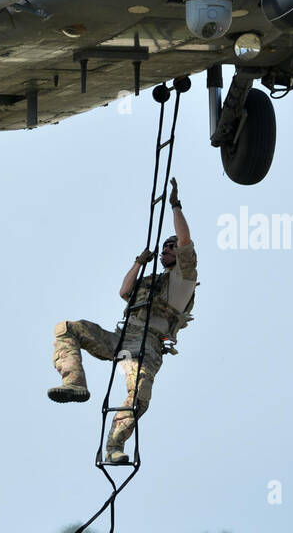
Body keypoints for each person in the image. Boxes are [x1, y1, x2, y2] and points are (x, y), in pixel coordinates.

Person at [48, 178, 198, 465]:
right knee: (67, 328)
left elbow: (186, 242)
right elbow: (124, 292)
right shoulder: (151, 282)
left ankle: (114, 445)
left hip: (147, 345)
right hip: (122, 338)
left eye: (171, 247)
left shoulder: (183, 281)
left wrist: (176, 206)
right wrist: (139, 262)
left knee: (138, 394)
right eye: (165, 247)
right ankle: (74, 381)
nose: (167, 250)